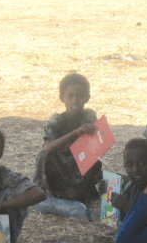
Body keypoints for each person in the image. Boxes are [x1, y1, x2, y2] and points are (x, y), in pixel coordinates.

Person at [34, 73, 102, 216]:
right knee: (44, 157)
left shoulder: (89, 116)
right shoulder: (55, 121)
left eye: (80, 96)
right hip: (60, 166)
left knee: (93, 156)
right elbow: (48, 147)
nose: (75, 100)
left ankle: (83, 193)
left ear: (87, 98)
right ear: (62, 98)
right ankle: (50, 195)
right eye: (70, 96)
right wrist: (75, 133)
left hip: (78, 162)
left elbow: (96, 142)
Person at [110, 138, 147, 217]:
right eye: (129, 164)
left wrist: (128, 208)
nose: (135, 169)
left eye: (142, 164)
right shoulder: (131, 186)